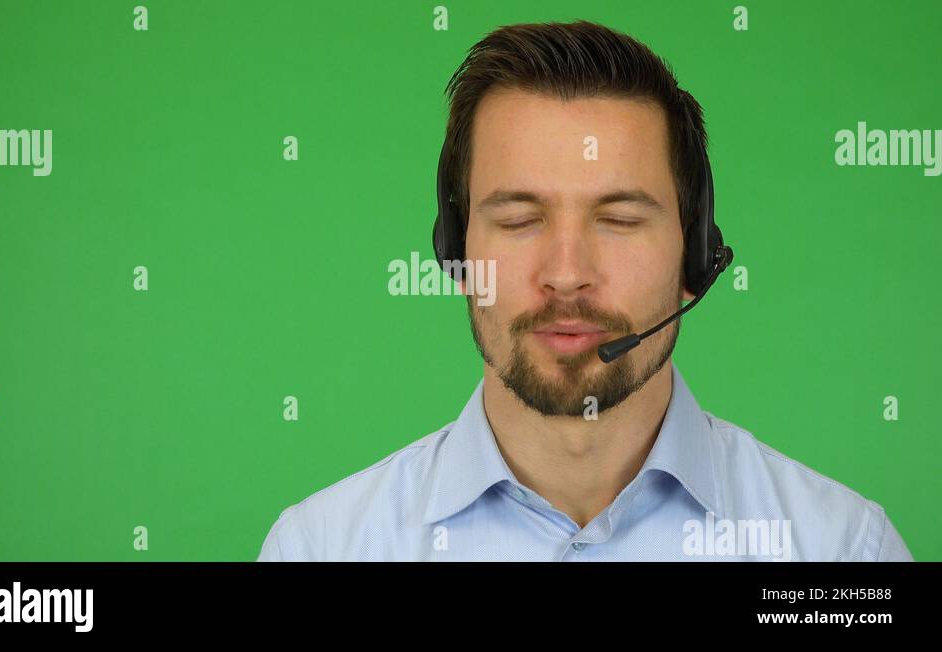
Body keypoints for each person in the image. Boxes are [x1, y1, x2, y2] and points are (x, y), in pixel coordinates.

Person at [257, 20, 912, 561]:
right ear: (455, 250)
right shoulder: (320, 547)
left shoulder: (842, 550)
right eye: (518, 220)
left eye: (621, 220)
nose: (566, 273)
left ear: (699, 255)